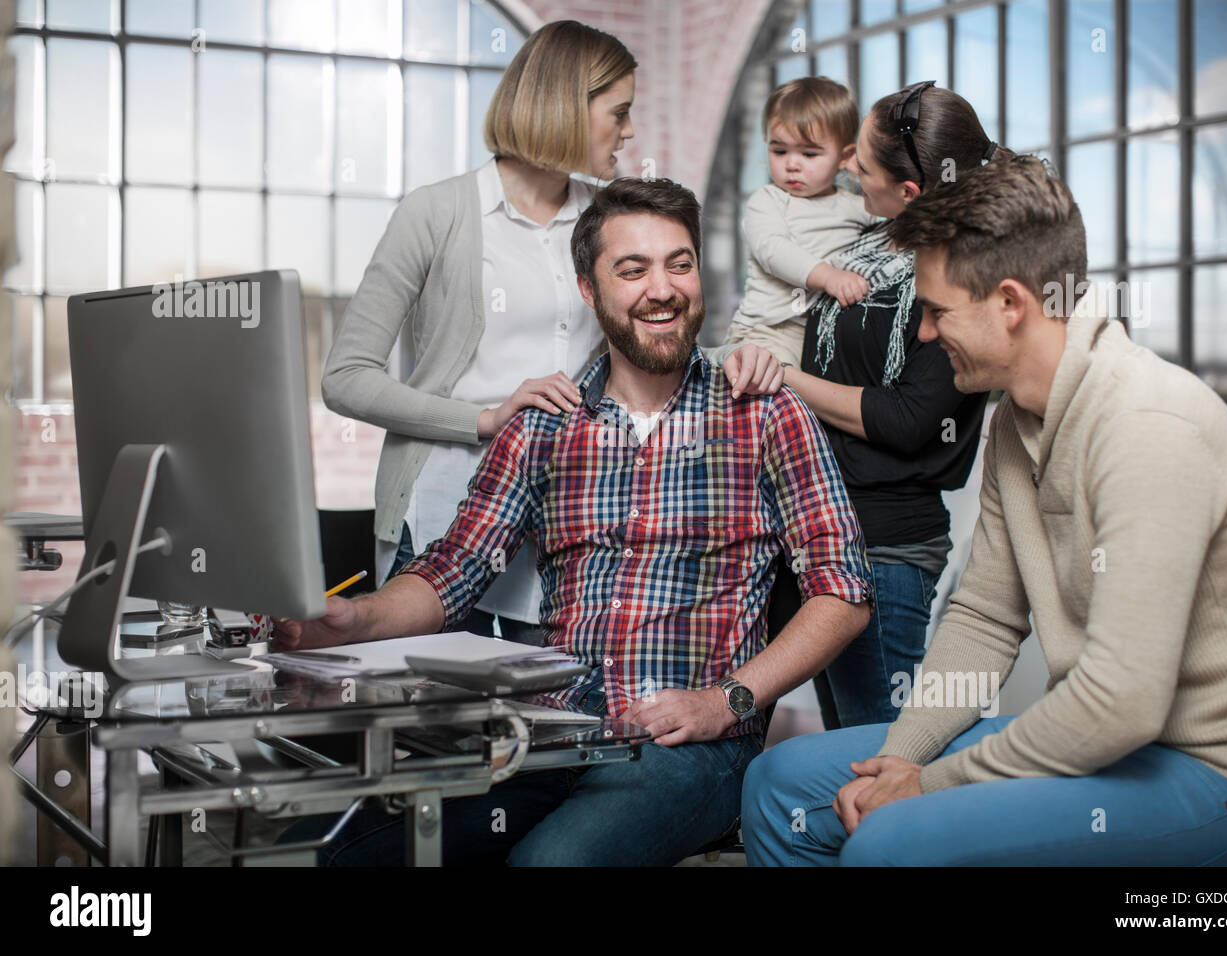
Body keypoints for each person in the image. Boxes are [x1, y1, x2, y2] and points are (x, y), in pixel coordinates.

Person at [276, 177, 875, 866]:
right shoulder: (544, 425)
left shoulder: (764, 410)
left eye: (678, 263)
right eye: (633, 269)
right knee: (321, 853)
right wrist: (357, 620)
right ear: (589, 290)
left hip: (687, 746)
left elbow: (844, 593)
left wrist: (726, 701)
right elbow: (453, 572)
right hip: (545, 736)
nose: (663, 288)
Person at [741, 154, 1227, 866]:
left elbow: (1122, 702)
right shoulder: (1013, 424)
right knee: (779, 783)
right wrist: (901, 757)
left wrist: (927, 784)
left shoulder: (1150, 425)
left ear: (1011, 304)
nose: (925, 335)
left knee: (891, 839)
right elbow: (986, 617)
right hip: (1112, 745)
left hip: (1225, 778)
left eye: (937, 312)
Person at [322, 21, 781, 648]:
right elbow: (346, 378)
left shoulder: (606, 216)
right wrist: (486, 419)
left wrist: (741, 355)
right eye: (618, 113)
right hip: (441, 512)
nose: (629, 131)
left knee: (543, 718)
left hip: (569, 513)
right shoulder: (437, 213)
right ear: (567, 106)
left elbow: (654, 332)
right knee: (433, 720)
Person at [775, 82, 998, 729]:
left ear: (911, 192)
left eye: (862, 164)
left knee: (876, 750)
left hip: (883, 548)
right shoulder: (870, 235)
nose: (847, 169)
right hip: (813, 528)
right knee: (838, 744)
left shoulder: (958, 281)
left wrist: (784, 378)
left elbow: (907, 419)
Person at [722, 76, 876, 367]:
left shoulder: (855, 205)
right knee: (768, 398)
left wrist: (864, 173)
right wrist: (829, 277)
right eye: (779, 151)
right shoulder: (767, 201)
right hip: (766, 332)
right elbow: (773, 250)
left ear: (844, 156)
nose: (792, 164)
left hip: (820, 334)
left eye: (809, 153)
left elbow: (898, 214)